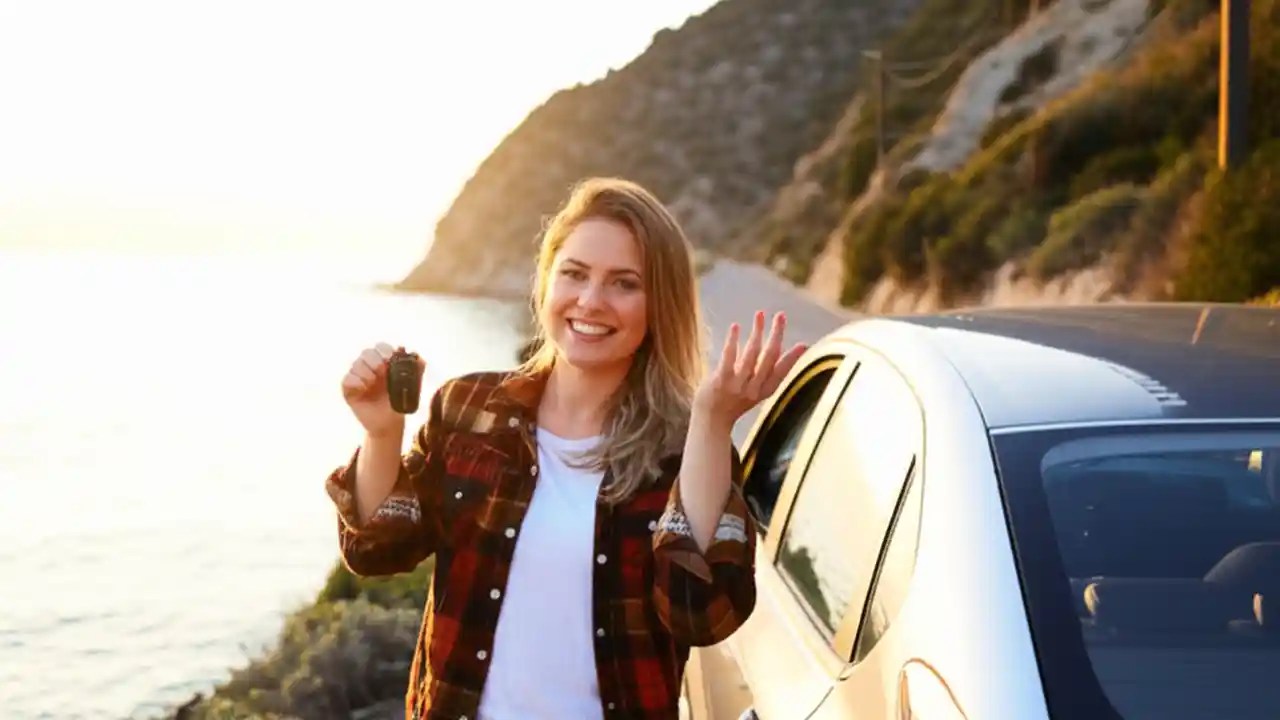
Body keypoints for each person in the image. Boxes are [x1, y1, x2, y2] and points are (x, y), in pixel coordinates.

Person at [326, 177, 806, 720]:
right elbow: (376, 550)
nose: (591, 301)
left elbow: (701, 615)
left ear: (659, 304)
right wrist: (382, 434)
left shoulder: (686, 448)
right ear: (547, 280)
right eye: (574, 274)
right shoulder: (467, 410)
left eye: (624, 283)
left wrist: (713, 421)